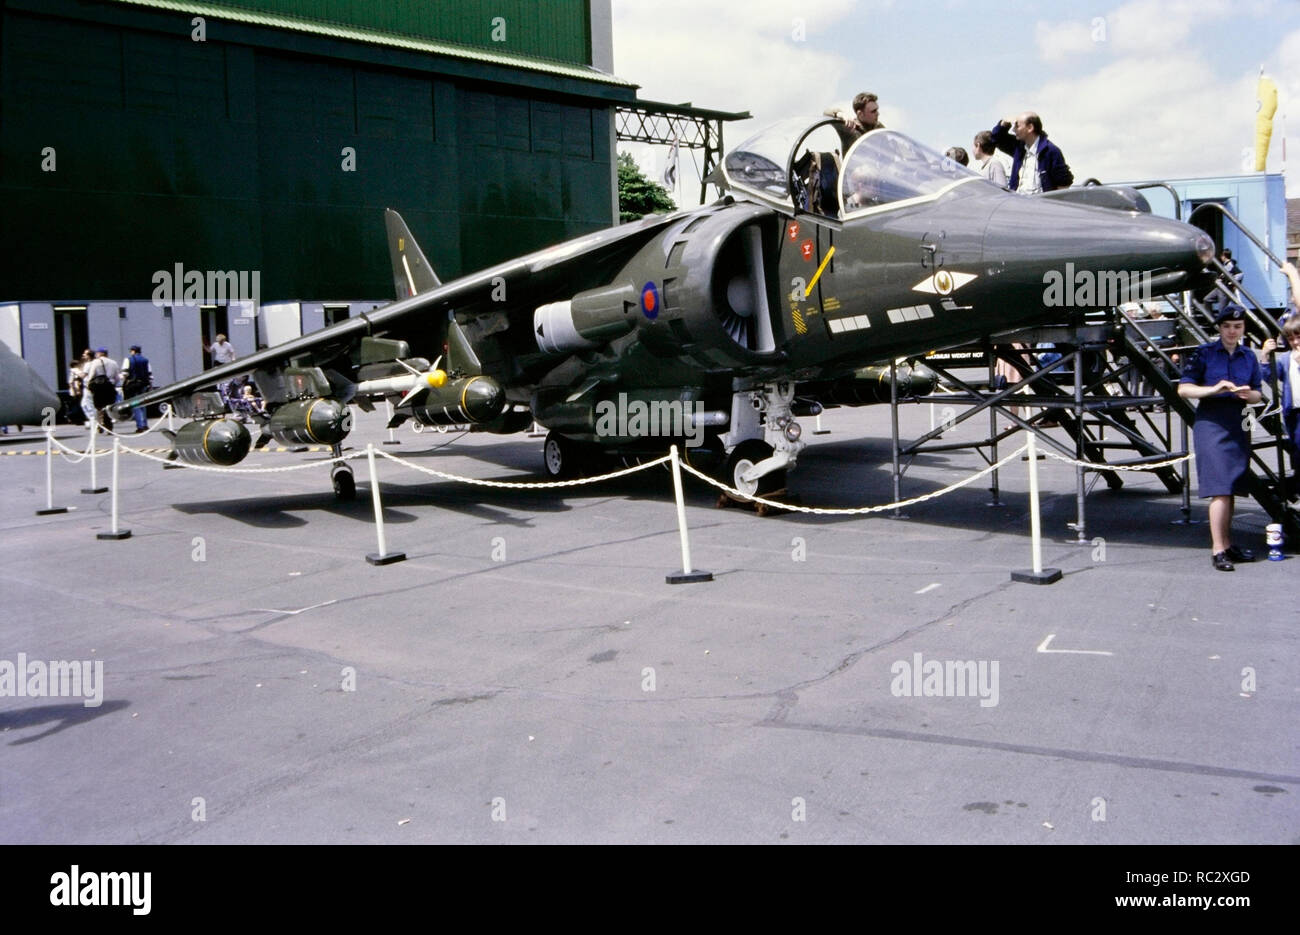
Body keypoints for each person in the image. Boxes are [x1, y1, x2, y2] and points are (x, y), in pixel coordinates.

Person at [1177, 304, 1263, 571]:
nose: (1232, 331)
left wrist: (1248, 394)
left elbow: (1258, 393)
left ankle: (1227, 544)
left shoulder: (1249, 356)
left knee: (1232, 486)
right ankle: (1218, 550)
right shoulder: (1204, 353)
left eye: (1237, 327)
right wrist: (1214, 389)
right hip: (1212, 422)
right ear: (1219, 328)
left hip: (1237, 420)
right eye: (1226, 326)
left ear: (1244, 328)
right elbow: (1184, 389)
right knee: (1220, 488)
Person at [1260, 316, 1300, 501]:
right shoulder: (1286, 359)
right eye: (1291, 339)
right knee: (1297, 450)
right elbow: (1270, 377)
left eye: (1298, 337)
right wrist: (1265, 356)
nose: (1295, 342)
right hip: (1294, 413)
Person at [989, 112, 1073, 193]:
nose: (1014, 130)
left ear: (1030, 127)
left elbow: (1064, 183)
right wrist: (1004, 124)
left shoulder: (1050, 151)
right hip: (1018, 201)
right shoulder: (1018, 148)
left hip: (1040, 202)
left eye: (1017, 126)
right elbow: (996, 138)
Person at [83, 347, 121, 433]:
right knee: (108, 407)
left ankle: (100, 424)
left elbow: (92, 375)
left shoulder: (96, 362)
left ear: (99, 353)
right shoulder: (113, 363)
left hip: (99, 387)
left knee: (99, 407)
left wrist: (89, 385)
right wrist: (112, 384)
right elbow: (117, 378)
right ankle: (109, 425)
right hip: (110, 387)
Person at [120, 344, 152, 432]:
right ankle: (145, 424)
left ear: (133, 351)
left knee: (135, 404)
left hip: (133, 384)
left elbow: (125, 373)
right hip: (144, 384)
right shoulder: (145, 360)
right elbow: (149, 374)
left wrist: (123, 382)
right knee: (143, 404)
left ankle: (140, 425)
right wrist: (150, 384)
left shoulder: (128, 360)